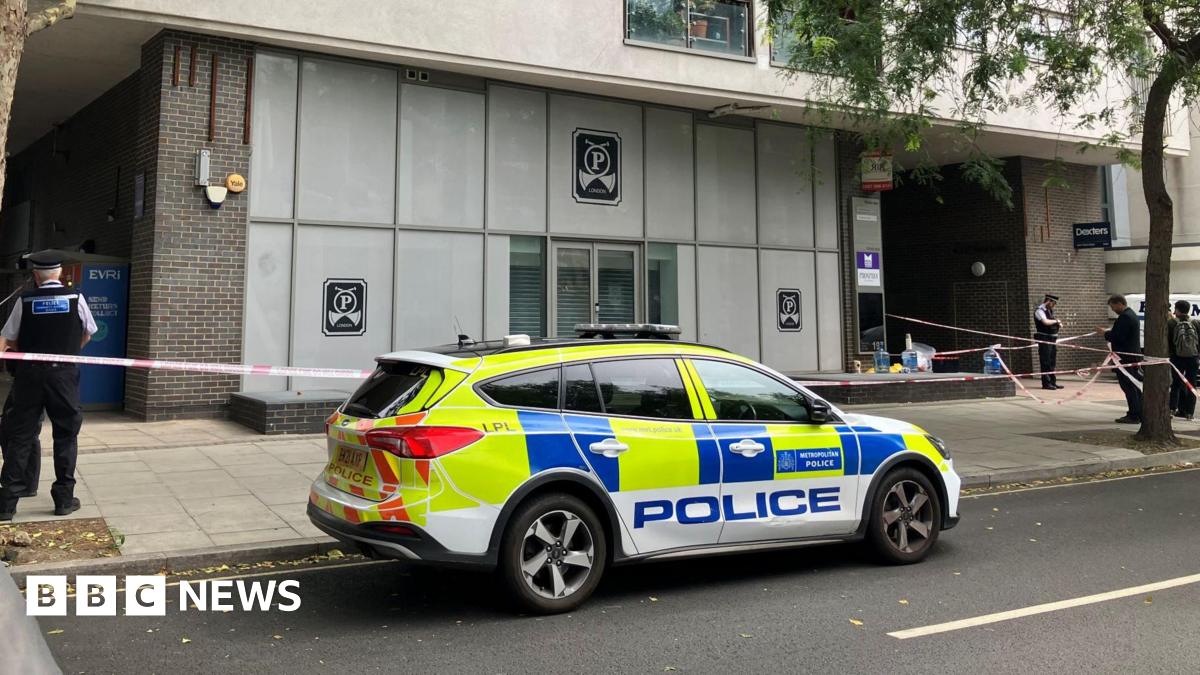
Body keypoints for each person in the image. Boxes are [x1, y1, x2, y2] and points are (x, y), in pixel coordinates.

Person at [0, 254, 97, 520]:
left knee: (20, 436)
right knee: (66, 435)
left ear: (35, 275)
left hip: (29, 376)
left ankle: (7, 504)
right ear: (60, 273)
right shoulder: (75, 298)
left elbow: (8, 339)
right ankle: (64, 500)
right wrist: (68, 352)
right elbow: (89, 332)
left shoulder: (25, 300)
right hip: (63, 376)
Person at [1101, 294, 1143, 424]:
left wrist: (1105, 333)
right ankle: (1139, 412)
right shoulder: (1132, 315)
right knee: (1134, 385)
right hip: (1131, 356)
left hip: (1125, 358)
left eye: (1113, 307)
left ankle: (1134, 414)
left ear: (1119, 303)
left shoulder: (1125, 317)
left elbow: (1118, 337)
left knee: (1129, 386)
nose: (1113, 310)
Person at [1167, 299, 1200, 420]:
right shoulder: (1195, 322)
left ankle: (1172, 409)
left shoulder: (1171, 323)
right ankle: (1189, 412)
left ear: (1177, 310)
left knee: (1176, 384)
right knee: (1191, 384)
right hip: (1193, 357)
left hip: (1177, 358)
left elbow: (1168, 341)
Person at [1034, 293, 1063, 390]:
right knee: (1045, 361)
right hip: (1044, 339)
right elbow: (1045, 322)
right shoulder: (1039, 311)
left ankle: (1053, 382)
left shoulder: (1049, 311)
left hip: (1052, 339)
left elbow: (1052, 322)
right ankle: (1046, 384)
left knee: (1052, 361)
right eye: (1053, 303)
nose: (1054, 305)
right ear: (1048, 301)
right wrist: (1056, 321)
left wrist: (1057, 323)